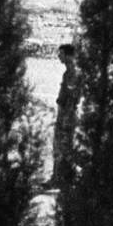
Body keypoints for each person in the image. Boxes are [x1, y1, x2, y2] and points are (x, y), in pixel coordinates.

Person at [45, 43, 81, 188]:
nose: (59, 56)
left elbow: (71, 98)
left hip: (67, 115)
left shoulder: (73, 73)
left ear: (68, 55)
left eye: (61, 54)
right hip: (65, 114)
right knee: (61, 147)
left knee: (63, 147)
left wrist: (65, 119)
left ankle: (63, 178)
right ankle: (61, 177)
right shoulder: (69, 72)